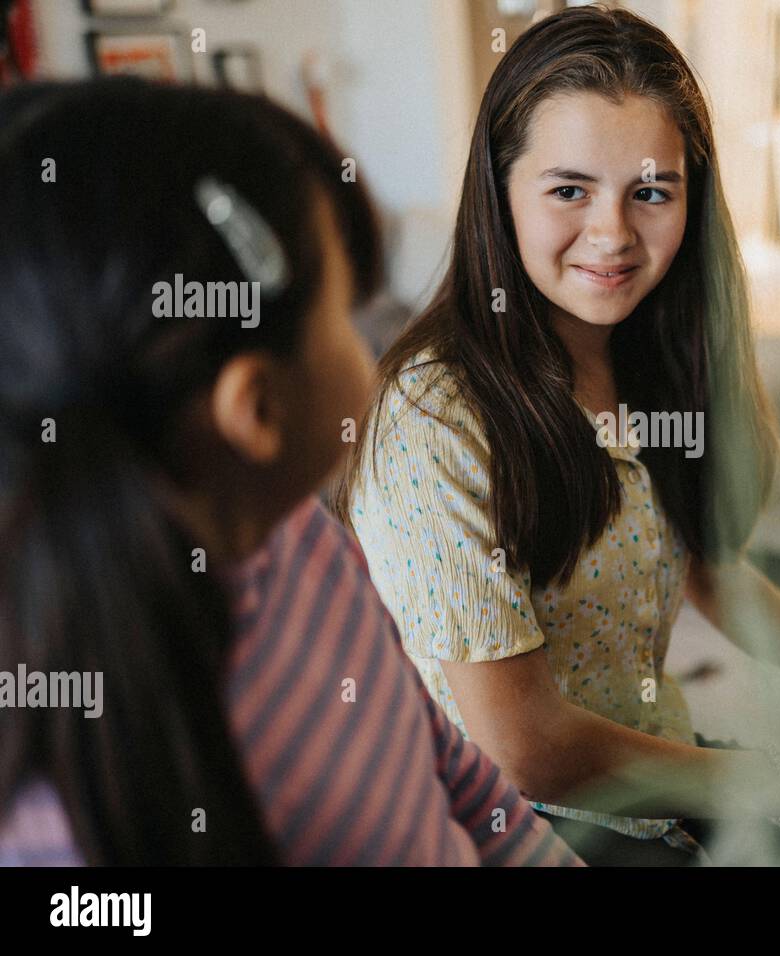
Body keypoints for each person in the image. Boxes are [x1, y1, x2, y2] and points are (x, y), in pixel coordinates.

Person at [338, 4, 780, 865]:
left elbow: (700, 564)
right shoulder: (432, 420)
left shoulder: (643, 349)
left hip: (655, 779)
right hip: (514, 827)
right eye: (569, 189)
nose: (612, 235)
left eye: (651, 192)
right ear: (499, 191)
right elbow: (524, 746)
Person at [0, 78, 579, 867]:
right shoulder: (64, 825)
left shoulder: (302, 538)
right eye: (346, 313)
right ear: (259, 409)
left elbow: (455, 773)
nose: (373, 341)